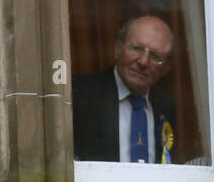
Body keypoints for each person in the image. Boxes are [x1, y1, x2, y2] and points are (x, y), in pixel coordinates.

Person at [72, 14, 178, 163]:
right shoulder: (79, 95)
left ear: (166, 68)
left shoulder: (165, 107)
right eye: (136, 49)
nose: (143, 61)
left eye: (155, 56)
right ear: (118, 49)